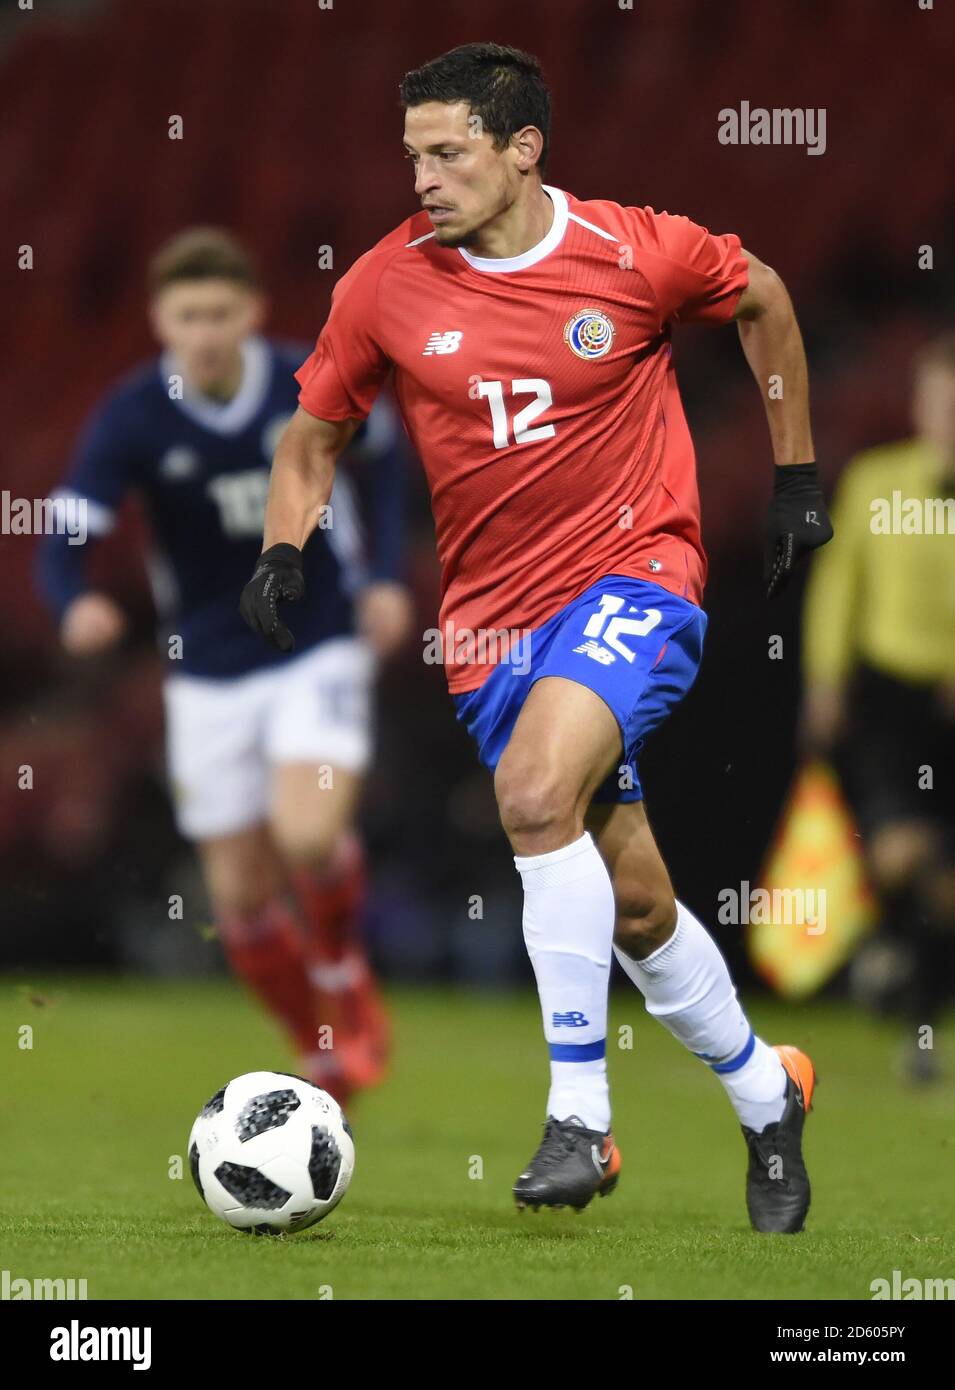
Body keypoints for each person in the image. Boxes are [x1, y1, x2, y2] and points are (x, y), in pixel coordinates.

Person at [240, 44, 832, 1230]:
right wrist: (284, 546)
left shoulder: (634, 250)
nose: (424, 177)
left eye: (449, 152)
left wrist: (796, 474)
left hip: (636, 575)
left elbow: (761, 296)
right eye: (412, 155)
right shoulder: (383, 286)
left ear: (523, 152)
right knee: (637, 905)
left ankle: (580, 1120)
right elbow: (313, 436)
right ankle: (770, 1093)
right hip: (491, 623)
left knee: (528, 791)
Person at [37, 227, 415, 1108]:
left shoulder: (305, 382)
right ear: (160, 320)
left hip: (314, 640)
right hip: (206, 668)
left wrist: (388, 578)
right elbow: (66, 532)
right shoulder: (133, 413)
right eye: (185, 314)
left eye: (218, 312)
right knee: (240, 902)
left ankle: (346, 978)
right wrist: (74, 604)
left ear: (249, 312)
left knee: (309, 834)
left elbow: (390, 455)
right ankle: (319, 1042)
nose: (204, 330)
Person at [801, 333, 955, 1082]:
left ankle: (919, 1019)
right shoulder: (875, 478)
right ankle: (889, 946)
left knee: (945, 885)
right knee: (900, 852)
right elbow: (839, 585)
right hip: (892, 693)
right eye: (939, 401)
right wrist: (825, 681)